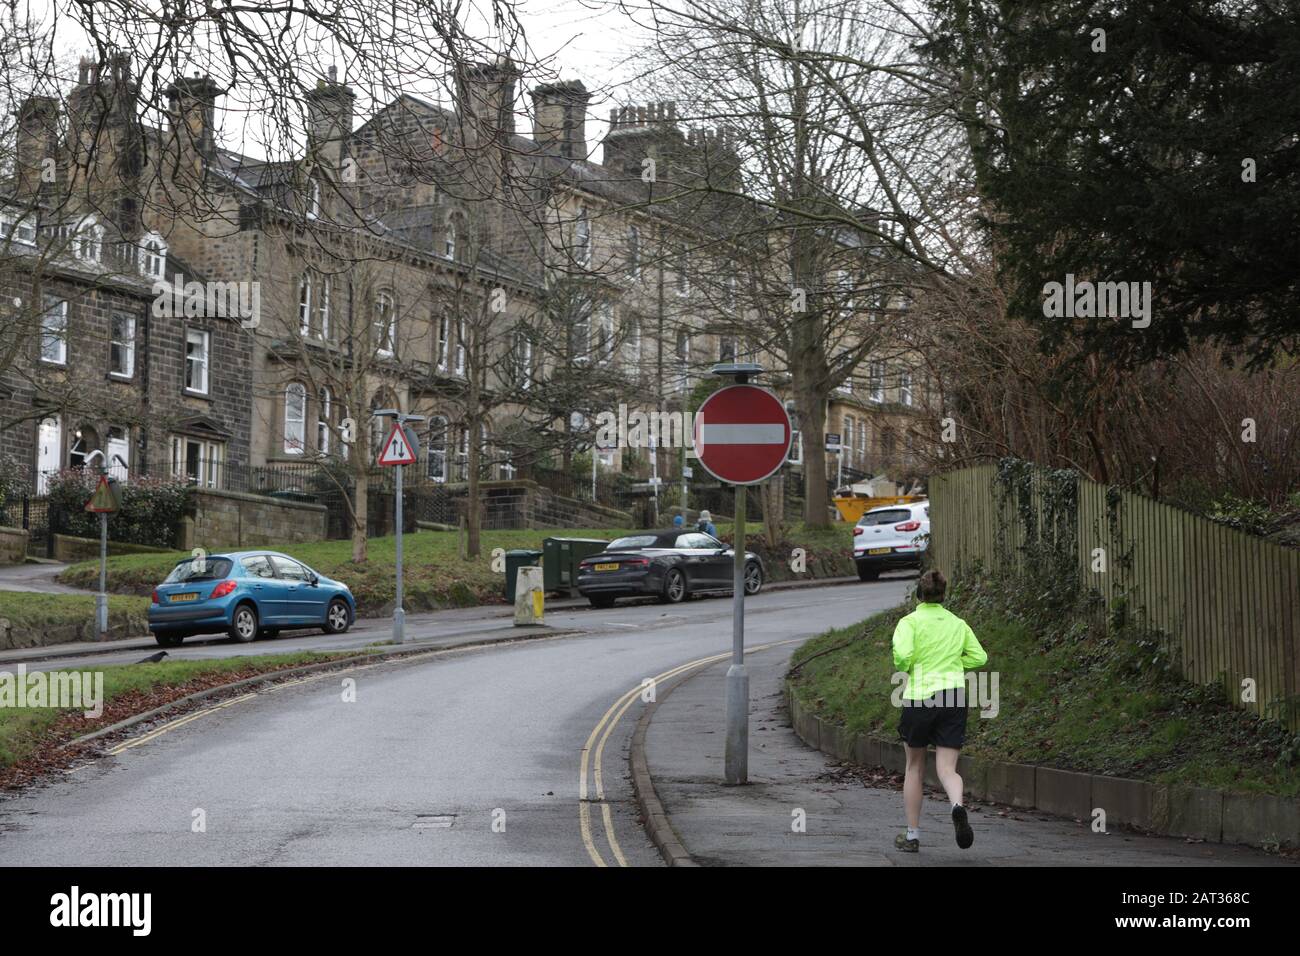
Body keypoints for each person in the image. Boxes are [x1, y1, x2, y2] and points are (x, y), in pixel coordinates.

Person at [891, 569, 987, 853]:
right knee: (947, 769)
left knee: (915, 768)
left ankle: (911, 835)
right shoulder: (957, 623)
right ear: (945, 596)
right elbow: (980, 656)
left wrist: (908, 667)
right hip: (954, 697)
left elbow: (903, 657)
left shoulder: (909, 623)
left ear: (918, 595)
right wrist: (954, 667)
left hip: (920, 697)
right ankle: (957, 806)